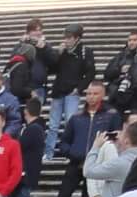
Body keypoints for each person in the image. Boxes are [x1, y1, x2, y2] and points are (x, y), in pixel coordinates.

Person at [43, 23, 96, 161]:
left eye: (70, 37)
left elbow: (90, 73)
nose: (66, 40)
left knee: (70, 123)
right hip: (58, 91)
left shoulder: (85, 51)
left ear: (77, 38)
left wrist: (79, 89)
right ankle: (48, 153)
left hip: (72, 93)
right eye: (65, 37)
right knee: (53, 125)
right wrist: (57, 55)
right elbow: (51, 68)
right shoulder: (62, 52)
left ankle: (70, 153)